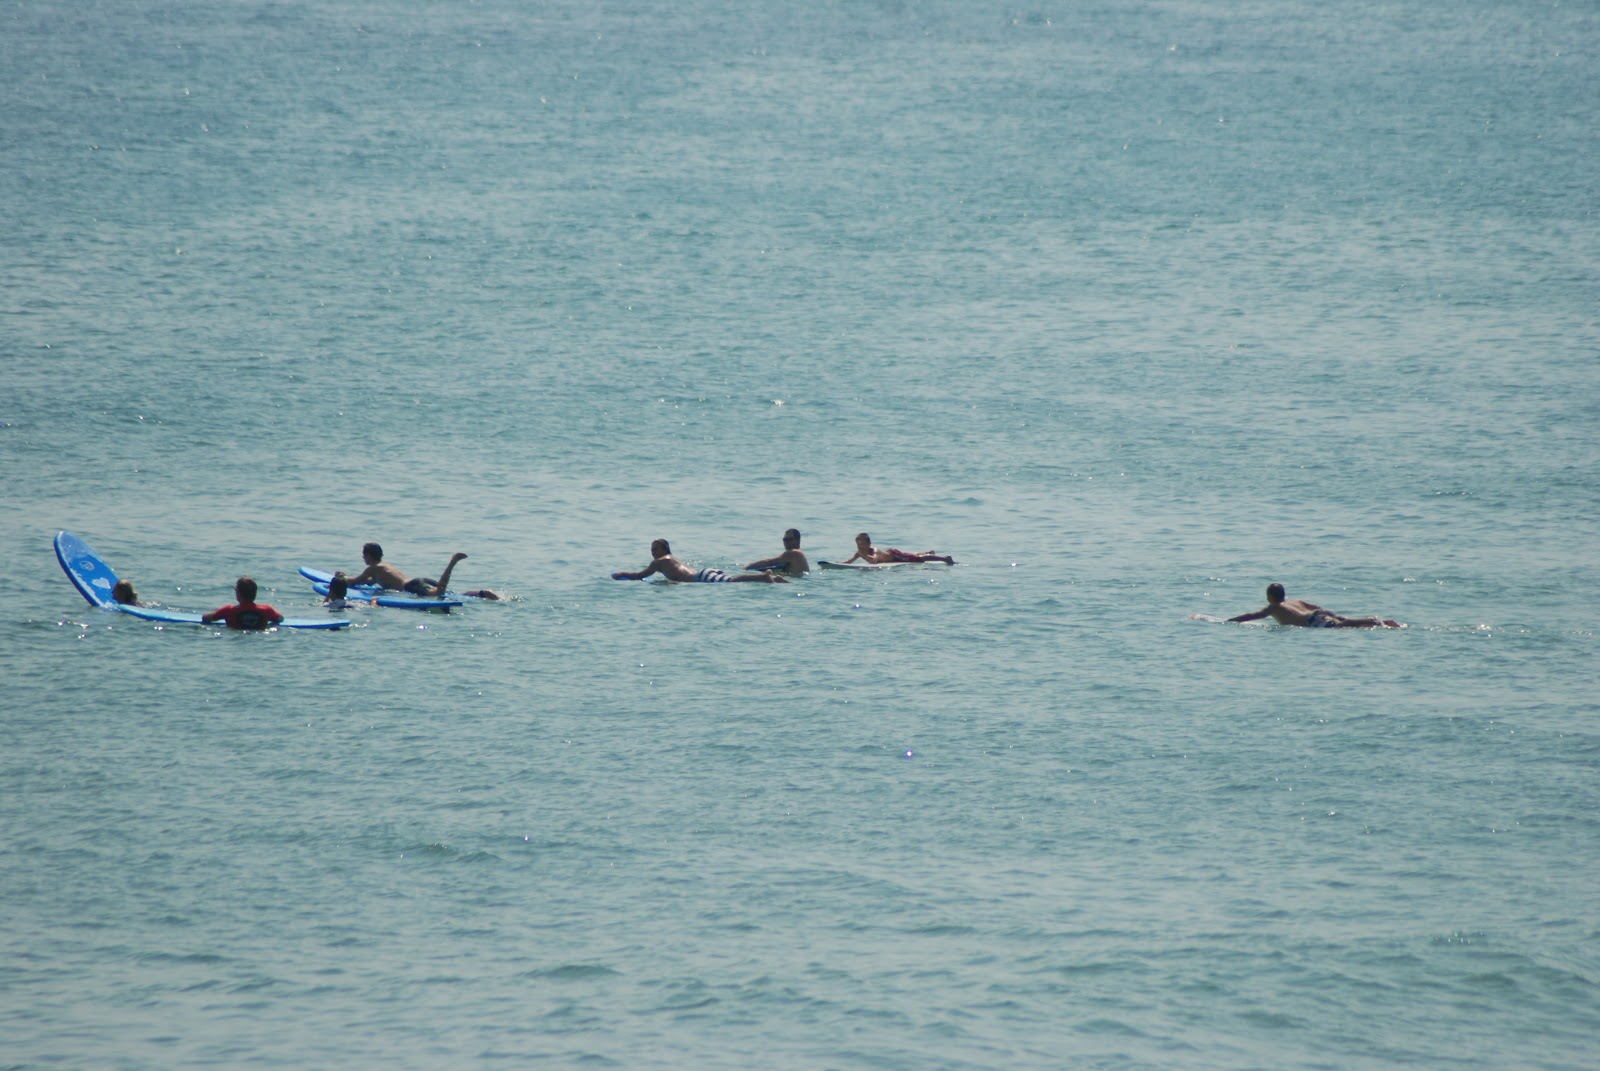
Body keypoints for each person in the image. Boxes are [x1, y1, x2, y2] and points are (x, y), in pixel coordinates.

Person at [345, 544, 502, 600]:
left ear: (369, 556)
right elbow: (370, 581)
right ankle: (482, 593)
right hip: (418, 581)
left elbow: (354, 581)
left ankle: (452, 563)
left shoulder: (372, 568)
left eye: (364, 555)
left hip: (411, 587)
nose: (363, 558)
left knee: (439, 593)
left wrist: (342, 577)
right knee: (451, 595)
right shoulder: (385, 566)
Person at [1228, 583, 1401, 628]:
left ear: (1270, 597)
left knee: (1343, 625)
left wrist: (1230, 621)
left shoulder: (1274, 607)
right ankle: (1381, 622)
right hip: (1318, 614)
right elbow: (1316, 607)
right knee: (1343, 622)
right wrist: (1332, 614)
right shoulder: (1295, 601)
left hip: (1312, 620)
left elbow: (1253, 616)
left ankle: (1374, 620)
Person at [613, 539, 788, 583]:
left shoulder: (659, 562)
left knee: (732, 581)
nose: (653, 553)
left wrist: (620, 574)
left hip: (701, 578)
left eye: (655, 549)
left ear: (665, 549)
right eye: (651, 550)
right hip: (704, 573)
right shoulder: (671, 559)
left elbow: (639, 575)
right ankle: (776, 579)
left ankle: (763, 577)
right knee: (731, 579)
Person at [202, 577, 284, 631]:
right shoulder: (267, 610)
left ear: (239, 593)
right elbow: (280, 618)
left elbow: (205, 618)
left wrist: (217, 612)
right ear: (255, 593)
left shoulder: (228, 610)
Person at [841, 532, 954, 566]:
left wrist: (863, 555)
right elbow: (849, 562)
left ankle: (945, 559)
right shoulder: (859, 553)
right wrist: (836, 564)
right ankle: (928, 552)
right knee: (910, 554)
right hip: (891, 556)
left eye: (862, 544)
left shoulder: (874, 550)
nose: (860, 547)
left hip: (895, 556)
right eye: (858, 545)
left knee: (918, 559)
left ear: (869, 543)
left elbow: (874, 560)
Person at [746, 528, 810, 575]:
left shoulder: (793, 553)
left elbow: (769, 562)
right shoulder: (799, 554)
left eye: (790, 539)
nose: (786, 542)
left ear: (798, 540)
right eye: (785, 539)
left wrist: (747, 567)